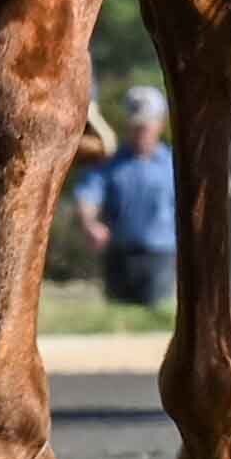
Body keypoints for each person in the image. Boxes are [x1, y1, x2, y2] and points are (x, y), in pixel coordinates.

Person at [72, 85, 179, 310]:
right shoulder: (109, 163)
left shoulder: (173, 165)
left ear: (160, 124)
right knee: (119, 318)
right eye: (135, 126)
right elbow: (88, 196)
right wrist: (90, 224)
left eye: (145, 126)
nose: (140, 132)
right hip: (119, 257)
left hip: (160, 258)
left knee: (155, 317)